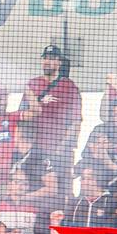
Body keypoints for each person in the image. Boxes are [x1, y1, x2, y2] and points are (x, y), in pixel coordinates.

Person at [18, 45, 82, 185]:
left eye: (52, 58)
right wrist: (23, 144)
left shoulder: (69, 86)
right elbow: (21, 117)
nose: (47, 61)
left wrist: (63, 147)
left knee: (60, 190)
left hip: (60, 151)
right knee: (31, 186)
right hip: (35, 149)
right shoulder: (32, 85)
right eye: (45, 58)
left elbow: (76, 122)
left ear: (59, 62)